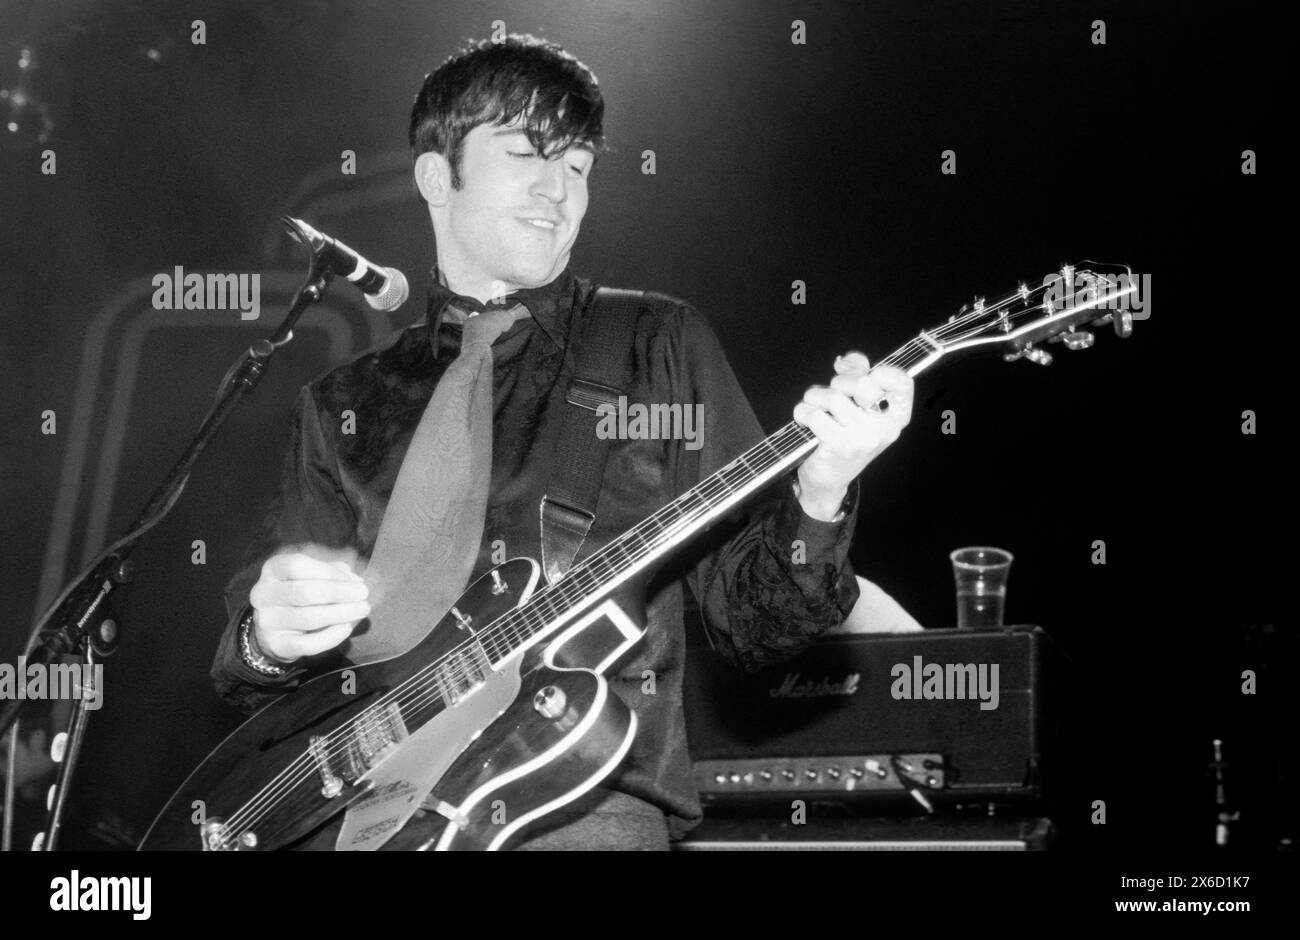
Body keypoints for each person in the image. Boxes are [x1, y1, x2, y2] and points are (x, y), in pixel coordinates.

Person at [210, 33, 913, 850]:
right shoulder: (339, 403)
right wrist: (267, 636)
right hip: (342, 818)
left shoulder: (653, 342)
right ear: (438, 176)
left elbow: (752, 623)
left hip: (567, 804)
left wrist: (822, 487)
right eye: (526, 154)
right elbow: (252, 677)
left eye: (578, 165)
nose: (558, 190)